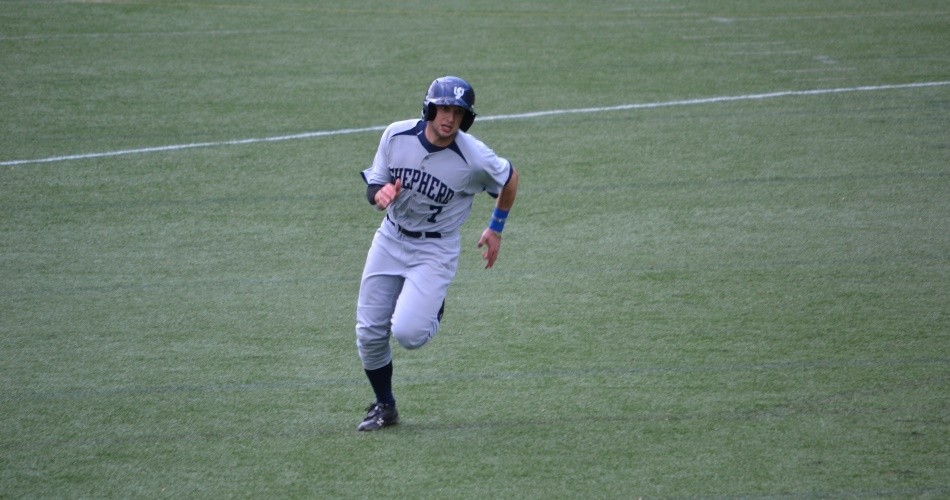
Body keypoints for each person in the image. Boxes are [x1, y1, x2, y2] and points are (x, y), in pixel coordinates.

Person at [354, 76, 520, 431]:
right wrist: (378, 195)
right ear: (430, 108)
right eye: (444, 108)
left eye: (458, 113)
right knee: (368, 332)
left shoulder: (473, 156)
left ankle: (434, 305)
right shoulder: (396, 136)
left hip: (435, 248)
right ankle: (385, 406)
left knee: (409, 334)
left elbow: (510, 179)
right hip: (390, 238)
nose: (450, 118)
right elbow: (375, 181)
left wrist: (496, 228)